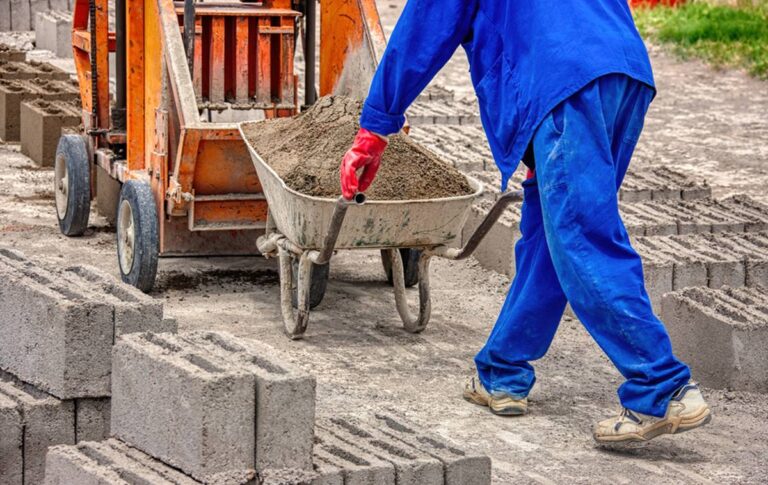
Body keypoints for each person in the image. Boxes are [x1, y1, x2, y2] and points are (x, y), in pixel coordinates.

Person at [339, 0, 711, 443]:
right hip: (622, 71)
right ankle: (503, 371)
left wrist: (375, 127)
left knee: (581, 238)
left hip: (561, 80)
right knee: (549, 234)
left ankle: (661, 386)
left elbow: (424, 28)